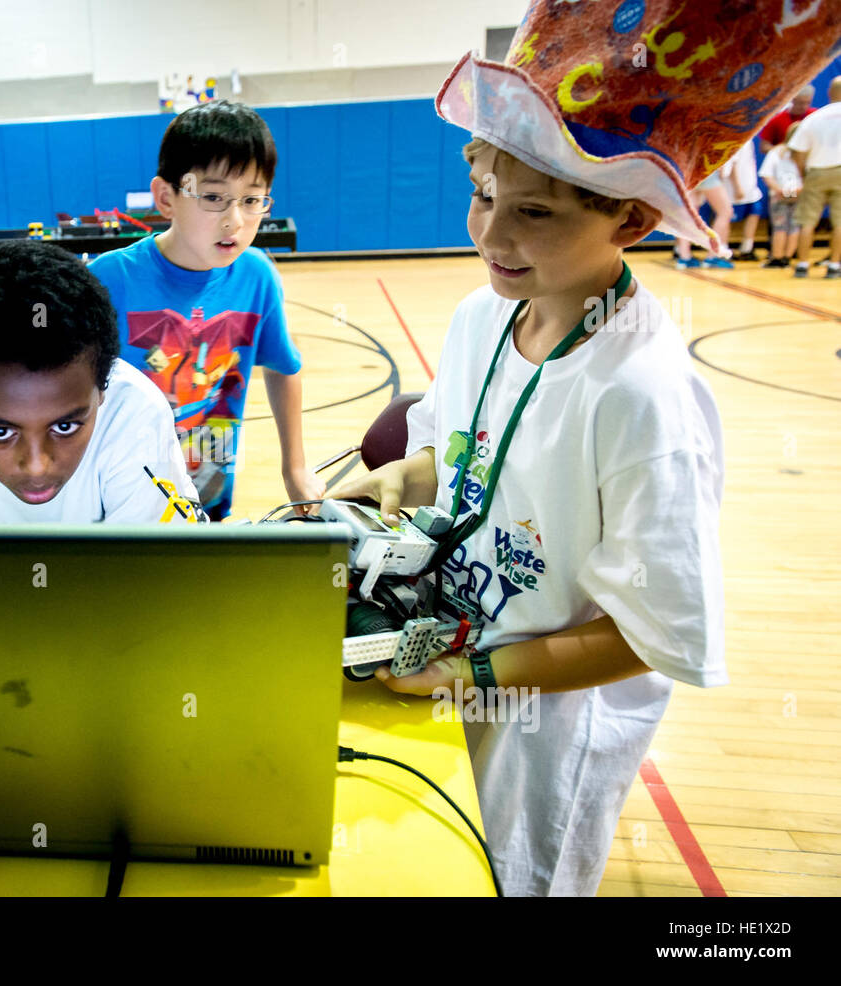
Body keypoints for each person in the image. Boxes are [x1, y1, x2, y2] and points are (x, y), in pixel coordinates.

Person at [332, 0, 839, 896]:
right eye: (485, 194)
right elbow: (461, 455)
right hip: (452, 657)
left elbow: (643, 636)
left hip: (548, 731)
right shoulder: (478, 315)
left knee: (512, 877)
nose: (490, 234)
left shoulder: (645, 398)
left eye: (535, 213)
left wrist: (472, 674)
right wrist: (403, 475)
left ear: (628, 221)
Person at [87, 101, 322, 520]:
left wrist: (295, 467)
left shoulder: (257, 278)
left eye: (252, 200)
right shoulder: (109, 280)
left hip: (208, 500)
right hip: (117, 502)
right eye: (213, 197)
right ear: (166, 197)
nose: (234, 220)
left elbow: (284, 368)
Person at [0, 241, 199, 524]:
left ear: (103, 384)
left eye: (65, 427)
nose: (37, 466)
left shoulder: (135, 411)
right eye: (0, 432)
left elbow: (142, 569)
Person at [789, 77, 841, 279]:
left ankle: (802, 265)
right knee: (840, 223)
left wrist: (803, 174)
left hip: (816, 171)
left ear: (829, 93)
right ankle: (834, 266)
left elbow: (798, 152)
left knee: (807, 221)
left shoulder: (814, 118)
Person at [759, 123, 804, 268]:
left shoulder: (777, 152)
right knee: (794, 227)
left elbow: (766, 174)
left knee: (780, 227)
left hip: (780, 194)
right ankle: (787, 257)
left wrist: (778, 190)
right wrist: (800, 190)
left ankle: (777, 257)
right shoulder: (806, 154)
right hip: (798, 193)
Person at [723, 141, 764, 261]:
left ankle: (747, 247)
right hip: (735, 187)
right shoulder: (736, 137)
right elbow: (732, 163)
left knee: (755, 211)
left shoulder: (749, 139)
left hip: (750, 185)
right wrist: (737, 186)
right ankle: (722, 248)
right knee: (725, 216)